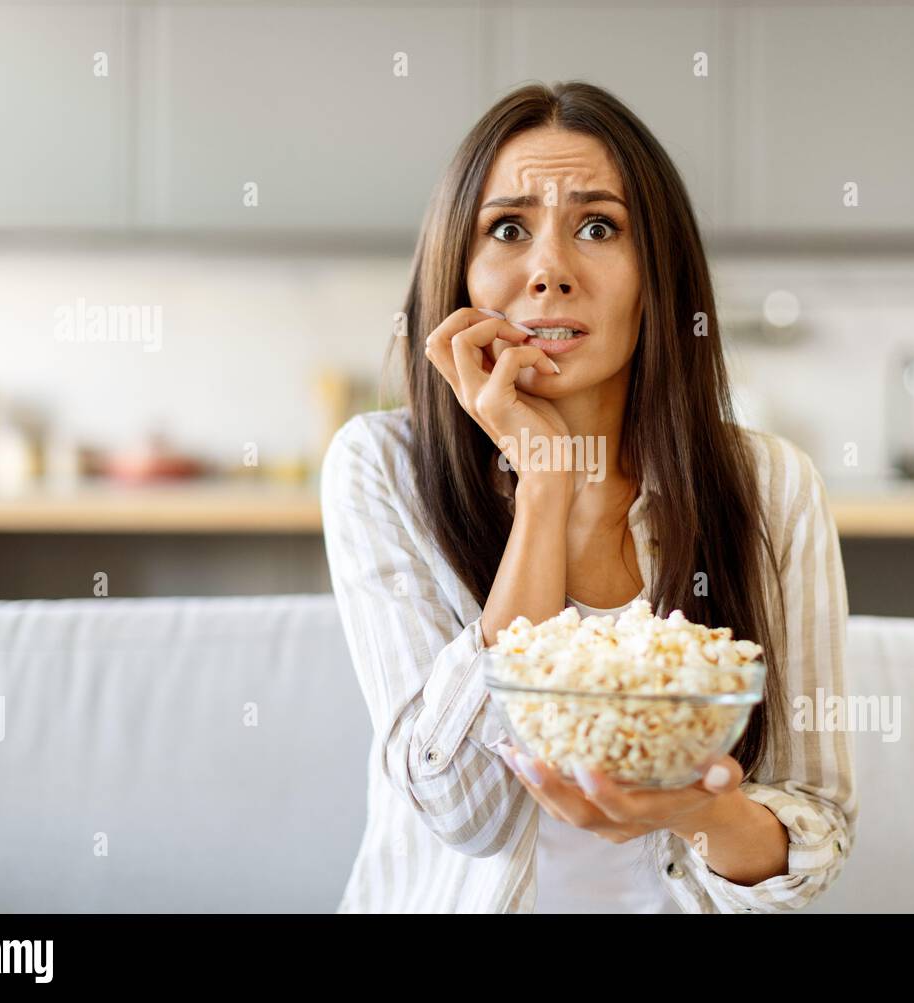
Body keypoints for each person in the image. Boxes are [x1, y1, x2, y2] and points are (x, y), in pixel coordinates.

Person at [322, 80, 856, 913]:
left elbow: (812, 835)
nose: (549, 273)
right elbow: (469, 813)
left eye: (598, 227)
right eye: (507, 229)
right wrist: (545, 483)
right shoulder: (378, 467)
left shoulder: (772, 486)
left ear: (658, 275)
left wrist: (702, 809)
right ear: (457, 271)